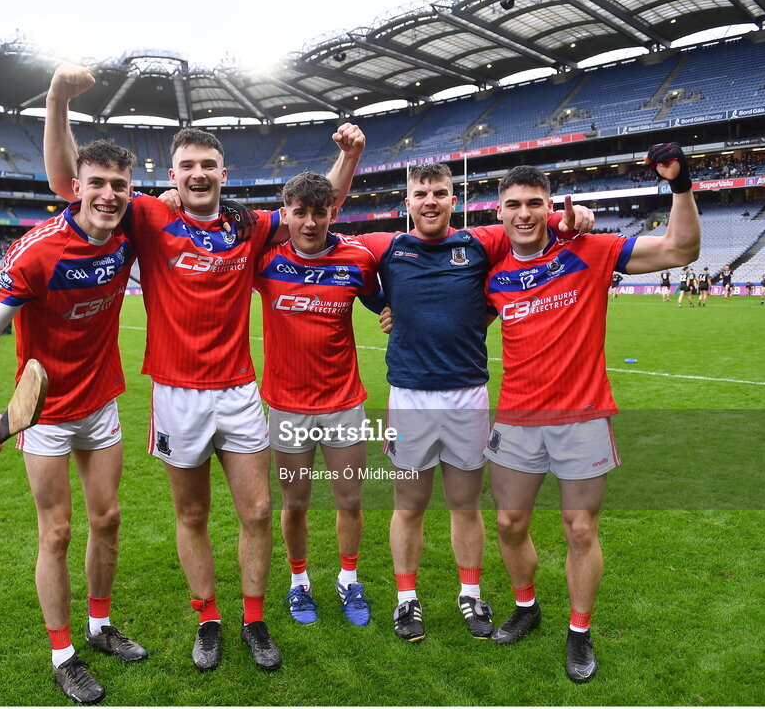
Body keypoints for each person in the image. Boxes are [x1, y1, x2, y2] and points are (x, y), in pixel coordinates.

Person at [43, 62, 365, 673]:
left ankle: (253, 619)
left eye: (208, 165)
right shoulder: (147, 216)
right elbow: (67, 181)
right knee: (191, 514)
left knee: (259, 511)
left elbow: (317, 208)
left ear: (224, 173)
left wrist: (347, 157)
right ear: (172, 176)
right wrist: (57, 98)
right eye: (187, 165)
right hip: (177, 395)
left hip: (239, 392)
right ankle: (208, 618)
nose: (198, 174)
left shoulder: (249, 226)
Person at [482, 146, 700, 683]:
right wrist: (392, 312)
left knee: (580, 529)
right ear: (499, 212)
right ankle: (527, 606)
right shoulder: (492, 274)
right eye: (514, 204)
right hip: (516, 418)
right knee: (509, 523)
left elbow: (681, 249)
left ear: (549, 205)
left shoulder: (591, 250)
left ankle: (579, 632)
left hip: (582, 415)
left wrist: (680, 184)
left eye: (535, 203)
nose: (525, 214)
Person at [363, 163, 593, 643]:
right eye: (421, 193)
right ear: (407, 202)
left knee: (464, 504)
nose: (430, 201)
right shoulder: (387, 246)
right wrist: (387, 306)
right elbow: (341, 261)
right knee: (409, 504)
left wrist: (569, 218)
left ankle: (470, 594)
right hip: (409, 396)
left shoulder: (479, 242)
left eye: (439, 193)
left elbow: (529, 222)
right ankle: (406, 600)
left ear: (454, 201)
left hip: (467, 394)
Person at [0, 139, 146, 705]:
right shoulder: (37, 251)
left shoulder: (129, 234)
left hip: (100, 402)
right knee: (57, 532)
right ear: (76, 187)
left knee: (108, 518)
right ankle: (63, 654)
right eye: (97, 183)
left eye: (119, 185)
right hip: (41, 412)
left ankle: (99, 626)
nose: (108, 195)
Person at [254, 171, 384, 628]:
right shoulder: (265, 260)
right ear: (285, 214)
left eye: (319, 212)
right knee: (295, 503)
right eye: (300, 212)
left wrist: (393, 312)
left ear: (334, 212)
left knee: (350, 499)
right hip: (287, 407)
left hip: (343, 404)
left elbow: (379, 299)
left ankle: (349, 579)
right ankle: (299, 581)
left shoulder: (357, 258)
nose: (310, 223)